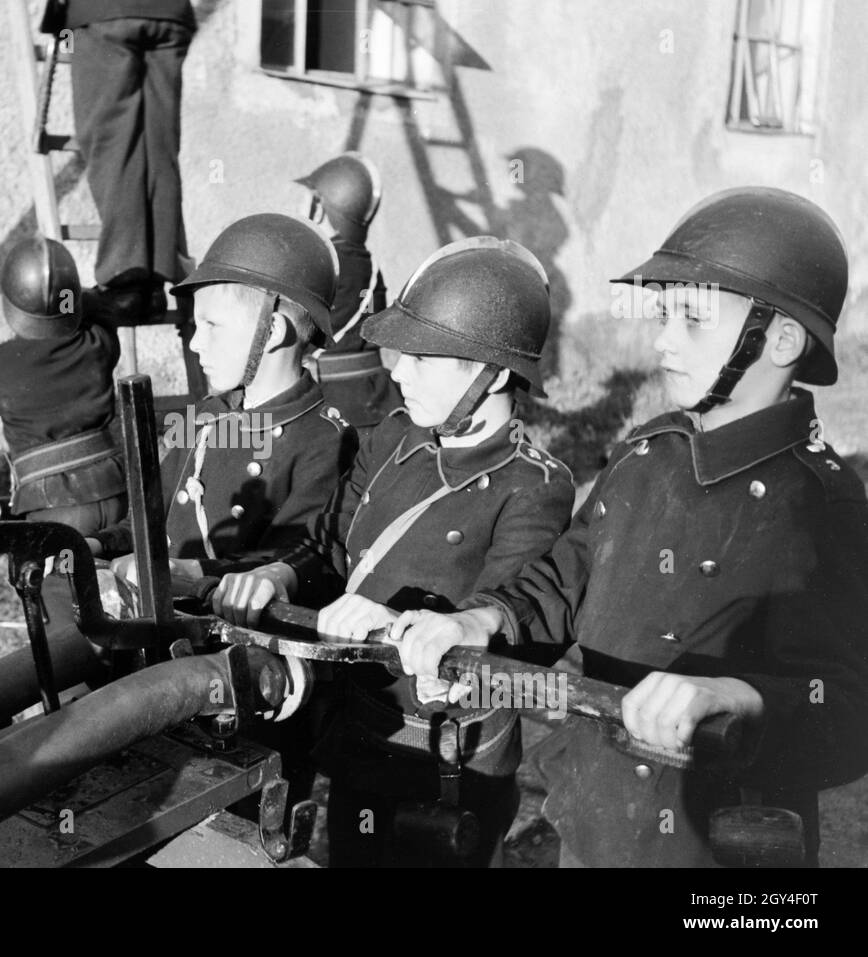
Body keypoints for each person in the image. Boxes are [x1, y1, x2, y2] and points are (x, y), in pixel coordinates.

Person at [386, 187, 868, 866]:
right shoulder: (649, 453)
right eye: (664, 313)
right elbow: (567, 575)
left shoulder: (819, 502)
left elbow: (848, 711)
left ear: (781, 338)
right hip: (592, 828)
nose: (663, 338)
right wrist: (483, 621)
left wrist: (734, 696)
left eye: (693, 318)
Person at [211, 237, 575, 867]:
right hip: (365, 735)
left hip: (446, 760)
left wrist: (394, 625)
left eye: (423, 358)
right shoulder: (394, 438)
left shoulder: (534, 485)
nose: (397, 372)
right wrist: (281, 573)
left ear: (490, 374)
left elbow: (514, 633)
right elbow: (331, 543)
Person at [89, 213, 357, 577]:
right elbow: (149, 519)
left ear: (272, 330)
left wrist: (183, 573)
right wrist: (95, 545)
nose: (197, 344)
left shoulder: (324, 440)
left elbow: (296, 562)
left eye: (212, 325)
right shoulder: (205, 416)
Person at [46, 1, 197, 323]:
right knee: (159, 146)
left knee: (113, 144)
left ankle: (126, 280)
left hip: (104, 11)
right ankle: (153, 284)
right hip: (171, 15)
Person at [0, 237, 126, 536]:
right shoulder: (96, 344)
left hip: (52, 506)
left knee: (58, 581)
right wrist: (72, 297)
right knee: (123, 577)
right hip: (114, 494)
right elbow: (105, 309)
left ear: (10, 302)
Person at [295, 153, 402, 439]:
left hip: (331, 404)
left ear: (319, 205)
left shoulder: (323, 263)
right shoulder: (365, 263)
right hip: (372, 400)